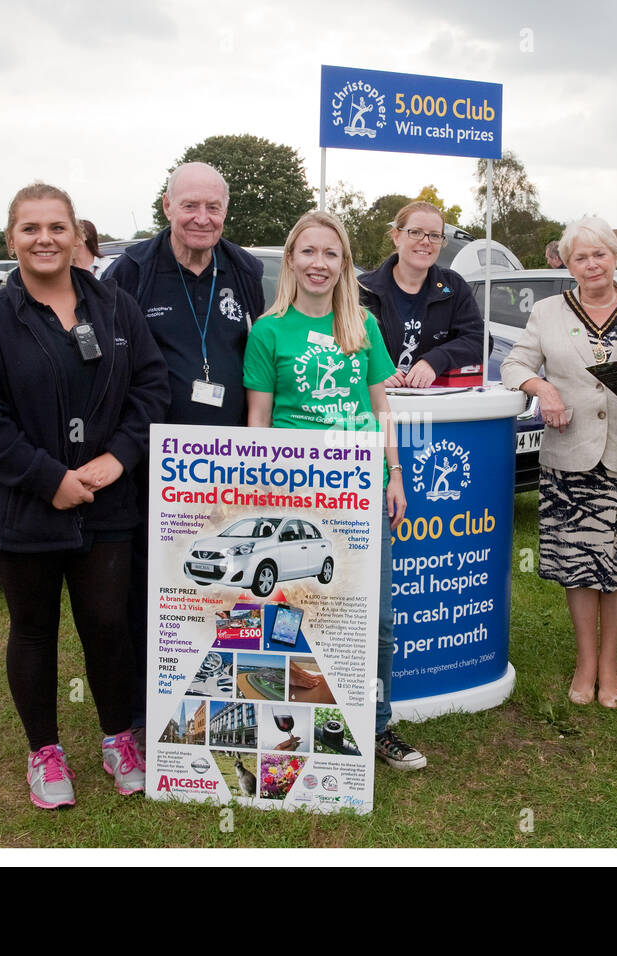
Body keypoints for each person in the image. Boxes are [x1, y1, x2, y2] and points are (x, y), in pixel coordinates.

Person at [0, 182, 169, 808]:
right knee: (34, 629)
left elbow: (150, 389)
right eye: (30, 229)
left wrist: (117, 456)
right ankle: (44, 752)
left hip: (108, 500)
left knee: (107, 624)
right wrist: (52, 480)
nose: (44, 239)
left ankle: (115, 738)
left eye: (56, 227)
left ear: (77, 235)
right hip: (24, 507)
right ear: (12, 238)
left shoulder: (118, 307)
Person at [244, 210, 426, 771]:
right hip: (297, 497)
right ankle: (291, 728)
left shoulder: (363, 327)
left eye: (331, 253)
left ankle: (376, 725)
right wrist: (262, 494)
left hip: (363, 492)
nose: (319, 264)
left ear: (344, 262)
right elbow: (259, 423)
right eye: (308, 252)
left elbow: (381, 408)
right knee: (293, 613)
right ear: (291, 260)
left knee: (378, 618)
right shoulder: (267, 332)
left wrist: (395, 473)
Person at [102, 162, 265, 743]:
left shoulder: (243, 268)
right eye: (190, 206)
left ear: (225, 212)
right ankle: (149, 706)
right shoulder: (134, 270)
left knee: (226, 576)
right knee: (153, 583)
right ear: (167, 207)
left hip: (229, 463)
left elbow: (260, 353)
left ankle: (223, 694)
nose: (202, 218)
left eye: (213, 208)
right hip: (154, 465)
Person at [501, 216, 617, 708]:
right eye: (579, 257)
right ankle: (585, 659)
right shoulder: (549, 311)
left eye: (600, 254)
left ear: (616, 256)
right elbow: (514, 364)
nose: (591, 264)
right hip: (570, 455)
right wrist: (542, 387)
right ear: (565, 263)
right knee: (578, 563)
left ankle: (610, 662)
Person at [359, 200, 483, 388]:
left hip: (434, 409)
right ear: (396, 236)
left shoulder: (454, 287)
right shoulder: (362, 290)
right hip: (372, 406)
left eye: (434, 235)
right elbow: (334, 343)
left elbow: (479, 340)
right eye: (415, 232)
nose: (425, 241)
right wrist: (373, 369)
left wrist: (435, 361)